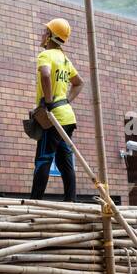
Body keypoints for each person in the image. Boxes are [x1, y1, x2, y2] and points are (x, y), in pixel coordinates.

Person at [32, 18, 84, 201]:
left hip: (52, 119)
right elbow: (79, 83)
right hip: (68, 117)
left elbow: (45, 74)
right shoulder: (64, 58)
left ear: (50, 36)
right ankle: (71, 201)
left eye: (45, 31)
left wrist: (48, 101)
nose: (42, 34)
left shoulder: (45, 55)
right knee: (65, 161)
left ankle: (35, 201)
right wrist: (65, 101)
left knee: (43, 158)